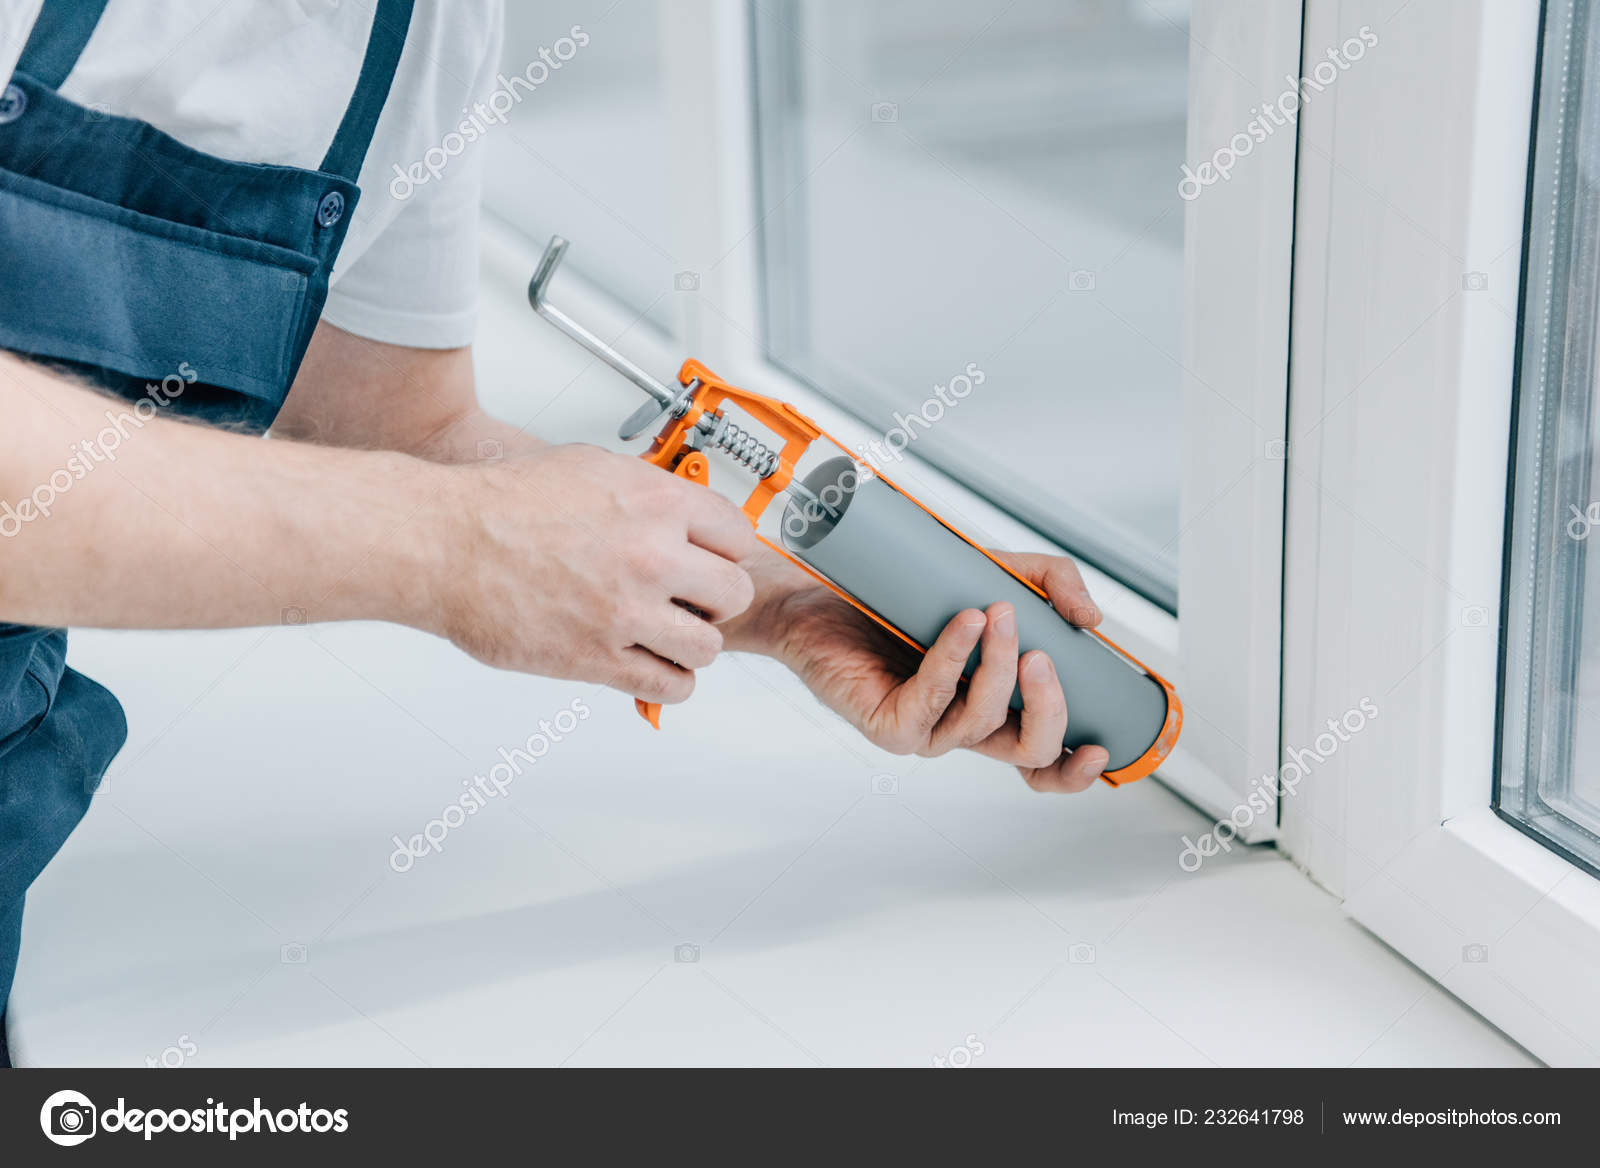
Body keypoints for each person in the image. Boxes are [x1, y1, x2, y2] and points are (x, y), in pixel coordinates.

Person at [0, 1, 1109, 1067]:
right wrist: (457, 552)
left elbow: (401, 429)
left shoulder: (422, 33)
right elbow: (445, 513)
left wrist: (784, 602)